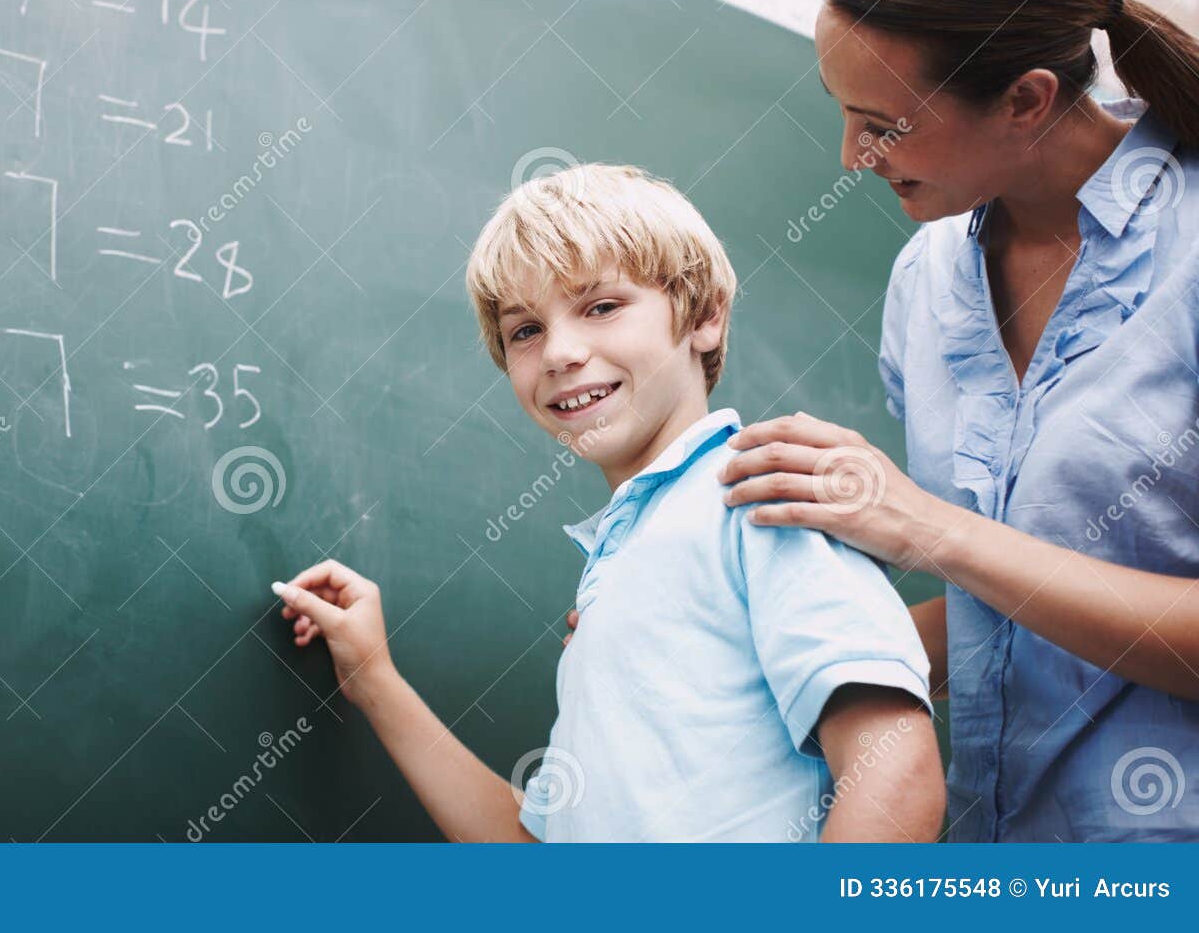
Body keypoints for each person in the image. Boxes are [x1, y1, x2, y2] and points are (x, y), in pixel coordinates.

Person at [719, 0, 1199, 840]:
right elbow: (1007, 625)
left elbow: (967, 551)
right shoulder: (929, 280)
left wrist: (928, 528)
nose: (853, 154)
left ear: (1026, 101)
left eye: (886, 122)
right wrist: (739, 652)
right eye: (843, 110)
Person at [271, 164, 944, 841]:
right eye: (525, 330)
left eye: (601, 307)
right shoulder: (619, 564)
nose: (560, 352)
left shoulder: (761, 496)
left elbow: (895, 772)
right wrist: (374, 679)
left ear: (705, 316)